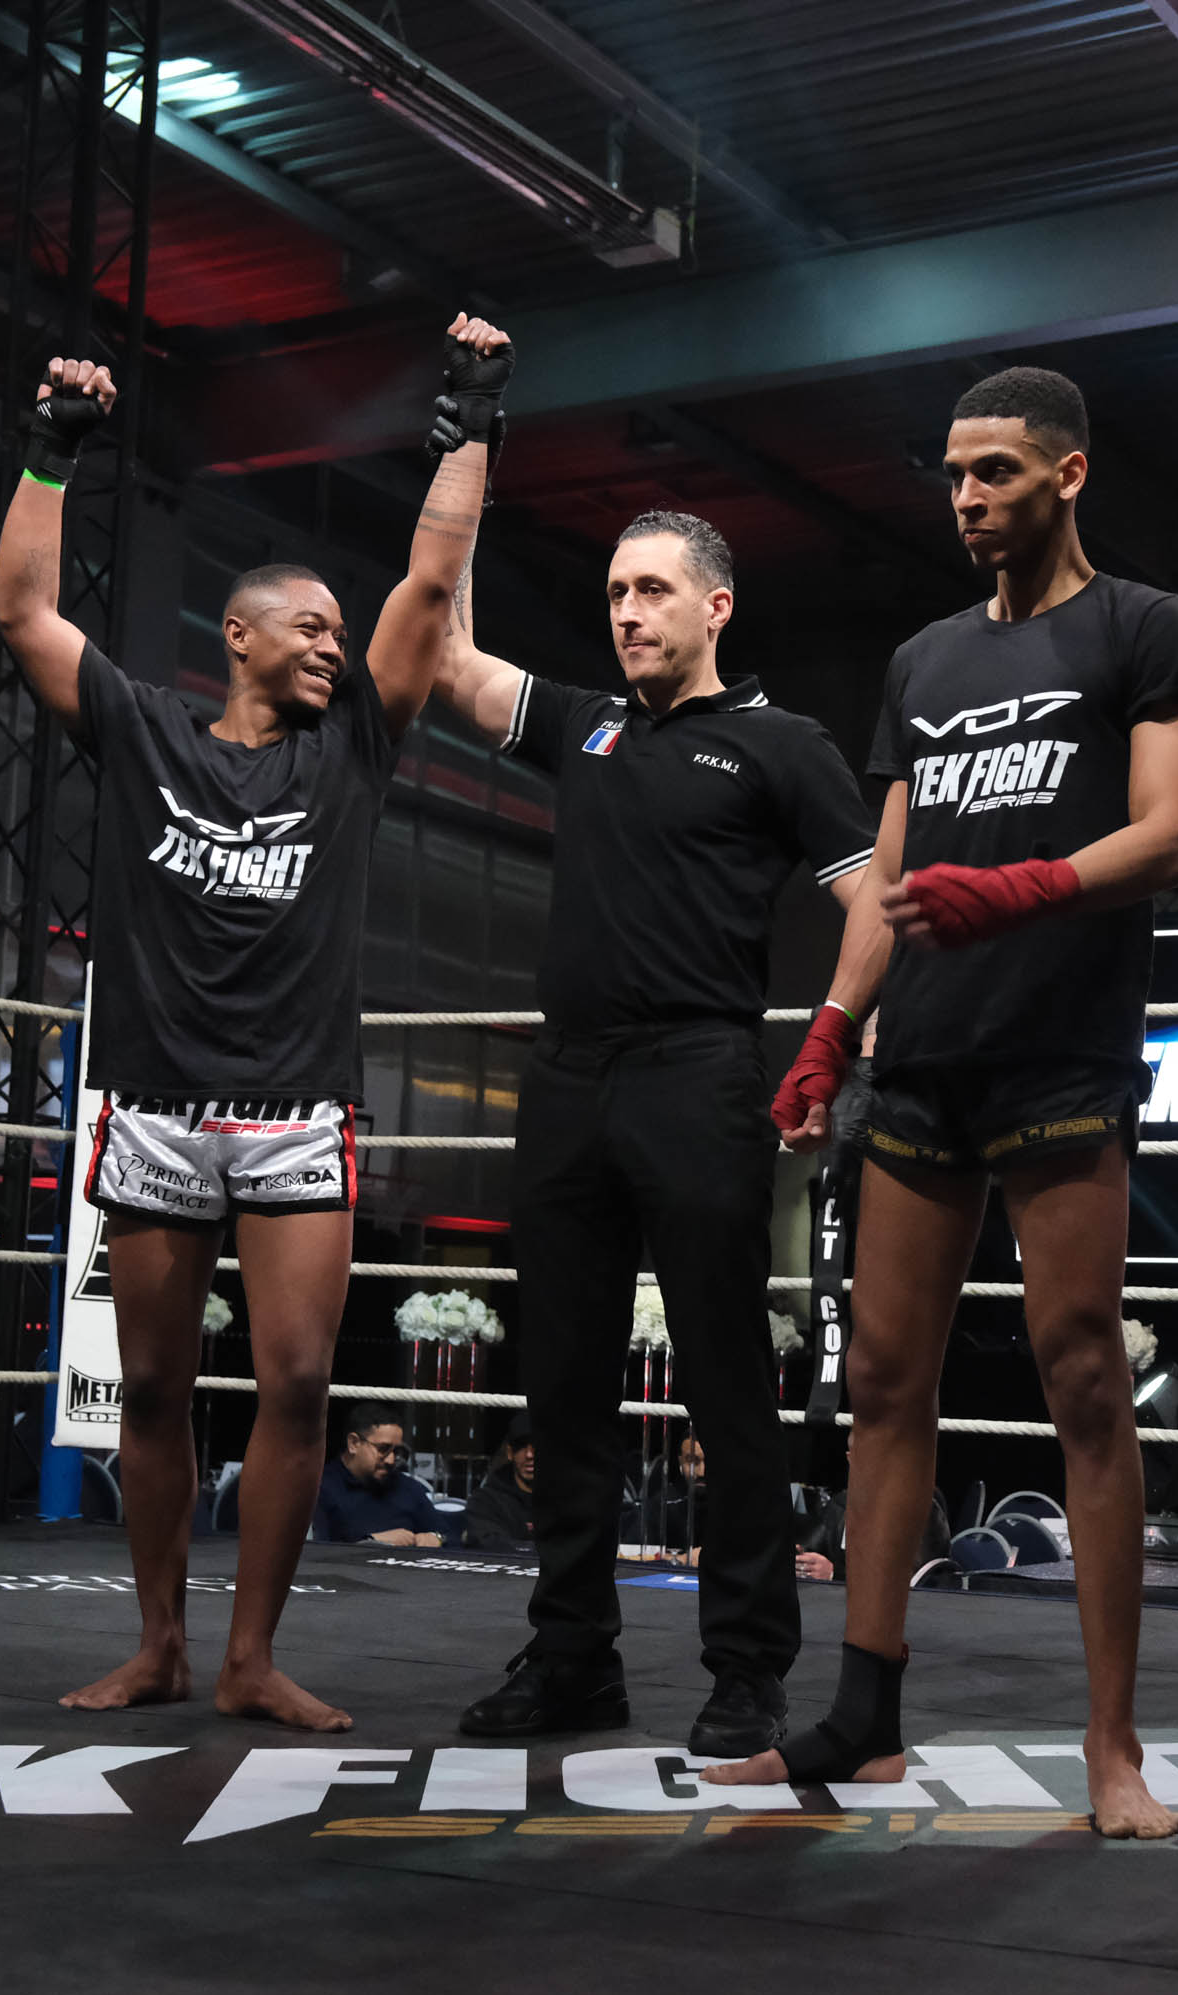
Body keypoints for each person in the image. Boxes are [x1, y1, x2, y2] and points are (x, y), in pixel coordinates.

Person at [708, 367, 1178, 1841]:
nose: (966, 497)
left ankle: (1111, 1747)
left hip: (1058, 1053)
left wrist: (1029, 886)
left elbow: (1175, 832)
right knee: (882, 1386)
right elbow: (883, 876)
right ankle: (865, 1720)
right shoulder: (923, 661)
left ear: (1066, 475)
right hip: (921, 1062)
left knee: (1081, 1381)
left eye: (995, 471)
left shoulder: (1144, 627)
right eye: (951, 474)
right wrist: (828, 1029)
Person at [0, 324, 479, 1731]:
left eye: (341, 629)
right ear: (243, 634)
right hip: (152, 1099)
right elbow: (24, 613)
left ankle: (251, 1657)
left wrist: (469, 418)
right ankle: (157, 1640)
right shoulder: (149, 732)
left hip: (291, 1108)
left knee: (301, 1377)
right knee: (150, 1380)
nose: (334, 646)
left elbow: (432, 584)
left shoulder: (354, 752)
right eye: (311, 627)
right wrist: (51, 449)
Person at [424, 366, 879, 1759]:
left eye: (653, 592)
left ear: (714, 607)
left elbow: (878, 898)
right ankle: (575, 1662)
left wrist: (830, 1038)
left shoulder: (782, 748)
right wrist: (468, 448)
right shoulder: (588, 723)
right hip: (568, 1080)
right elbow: (445, 653)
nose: (626, 613)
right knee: (560, 1383)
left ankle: (747, 1671)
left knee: (727, 1379)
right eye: (617, 593)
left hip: (696, 1077)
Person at [312, 1405, 445, 1546]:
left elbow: (450, 1537)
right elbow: (314, 1551)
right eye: (383, 1449)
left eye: (396, 1451)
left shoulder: (407, 1487)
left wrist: (436, 1538)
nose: (391, 1460)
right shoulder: (320, 1488)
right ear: (354, 1443)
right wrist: (370, 1542)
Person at [462, 1412, 537, 1551]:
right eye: (521, 1446)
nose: (529, 1454)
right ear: (510, 1453)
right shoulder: (485, 1501)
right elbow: (487, 1543)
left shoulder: (569, 1498)